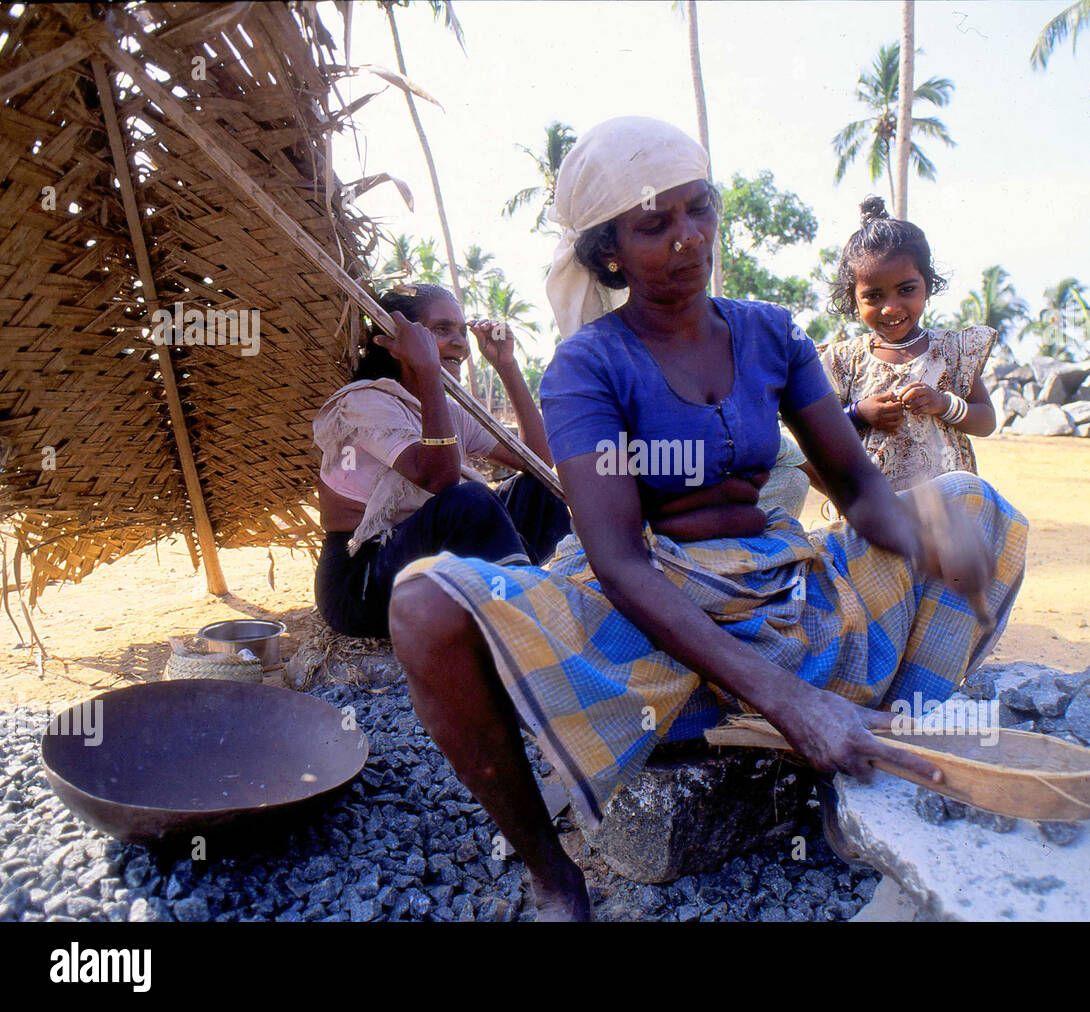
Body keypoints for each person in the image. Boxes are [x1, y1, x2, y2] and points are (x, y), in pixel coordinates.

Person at [386, 118, 1027, 920]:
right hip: (654, 621)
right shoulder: (589, 363)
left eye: (698, 211)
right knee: (422, 604)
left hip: (785, 600)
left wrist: (925, 538)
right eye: (655, 225)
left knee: (973, 506)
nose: (688, 239)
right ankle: (552, 873)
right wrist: (788, 701)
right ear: (608, 251)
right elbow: (617, 560)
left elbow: (858, 489)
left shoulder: (771, 332)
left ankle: (878, 748)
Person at [312, 283, 570, 639]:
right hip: (362, 583)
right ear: (395, 341)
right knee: (469, 501)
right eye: (441, 330)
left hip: (424, 561)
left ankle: (517, 587)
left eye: (462, 332)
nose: (461, 343)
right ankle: (524, 614)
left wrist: (506, 366)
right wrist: (429, 371)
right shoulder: (364, 403)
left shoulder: (448, 410)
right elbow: (439, 478)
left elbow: (538, 460)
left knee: (540, 490)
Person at [820, 197, 997, 491]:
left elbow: (986, 421)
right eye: (874, 297)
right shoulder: (844, 360)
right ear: (854, 299)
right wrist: (858, 413)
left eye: (906, 290)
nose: (890, 307)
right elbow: (820, 427)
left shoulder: (953, 352)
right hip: (878, 509)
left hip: (950, 507)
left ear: (927, 286)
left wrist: (943, 403)